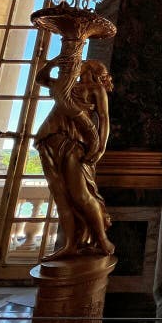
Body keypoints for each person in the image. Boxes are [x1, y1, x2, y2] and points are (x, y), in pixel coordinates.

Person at [34, 43, 115, 260]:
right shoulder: (65, 86)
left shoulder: (96, 90)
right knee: (61, 196)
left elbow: (104, 120)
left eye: (83, 65)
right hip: (49, 137)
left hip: (76, 142)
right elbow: (40, 79)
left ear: (91, 70)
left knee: (80, 194)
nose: (77, 67)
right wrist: (53, 62)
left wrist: (100, 147)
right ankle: (70, 244)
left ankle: (101, 238)